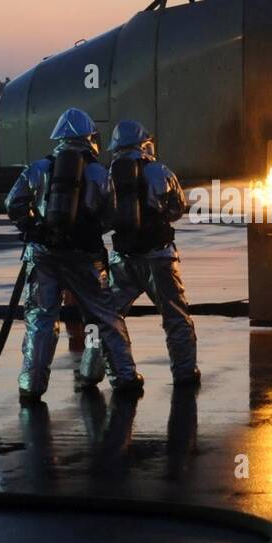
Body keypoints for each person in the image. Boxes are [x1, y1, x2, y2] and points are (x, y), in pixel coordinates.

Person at [5, 108, 143, 401]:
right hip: (84, 257)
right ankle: (125, 376)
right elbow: (113, 214)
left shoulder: (39, 167)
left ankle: (31, 384)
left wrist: (36, 228)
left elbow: (13, 203)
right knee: (105, 317)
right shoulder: (98, 172)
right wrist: (89, 230)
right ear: (89, 137)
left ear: (59, 137)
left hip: (43, 255)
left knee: (41, 319)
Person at [78, 120, 199, 387]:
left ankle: (100, 373)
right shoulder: (160, 170)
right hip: (160, 258)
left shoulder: (107, 173)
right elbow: (177, 209)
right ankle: (185, 373)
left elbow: (101, 215)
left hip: (123, 259)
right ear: (144, 142)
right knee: (175, 316)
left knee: (107, 317)